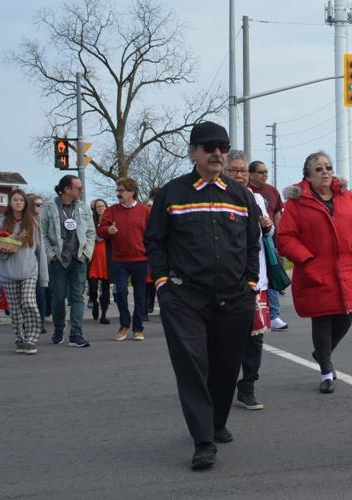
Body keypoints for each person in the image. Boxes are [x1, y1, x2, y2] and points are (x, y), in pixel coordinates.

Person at [144, 121, 261, 470]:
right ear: (193, 151)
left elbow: (253, 243)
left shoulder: (240, 196)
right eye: (208, 146)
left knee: (226, 369)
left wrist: (251, 284)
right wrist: (163, 284)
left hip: (234, 299)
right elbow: (155, 241)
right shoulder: (173, 193)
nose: (217, 153)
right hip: (184, 299)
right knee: (193, 365)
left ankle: (216, 421)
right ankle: (203, 440)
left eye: (222, 147)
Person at [277, 151, 352, 394]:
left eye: (328, 167)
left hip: (346, 268)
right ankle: (326, 370)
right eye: (319, 169)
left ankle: (322, 353)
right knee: (322, 320)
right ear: (307, 175)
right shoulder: (296, 202)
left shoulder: (346, 198)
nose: (325, 172)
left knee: (345, 319)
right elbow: (285, 237)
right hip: (316, 269)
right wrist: (307, 259)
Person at [226, 150, 273, 411]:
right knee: (227, 338)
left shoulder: (256, 198)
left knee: (255, 337)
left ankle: (248, 386)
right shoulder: (216, 198)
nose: (240, 175)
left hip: (256, 280)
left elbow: (268, 234)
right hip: (224, 281)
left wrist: (267, 225)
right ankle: (221, 384)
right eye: (234, 170)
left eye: (243, 171)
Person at [0, 189, 49, 354]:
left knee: (29, 302)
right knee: (15, 309)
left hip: (29, 271)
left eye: (21, 200)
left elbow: (41, 252)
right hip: (8, 273)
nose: (18, 203)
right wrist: (4, 251)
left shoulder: (33, 223)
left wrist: (43, 278)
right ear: (10, 203)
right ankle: (20, 339)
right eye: (15, 200)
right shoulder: (1, 223)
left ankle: (31, 339)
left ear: (25, 204)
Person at [41, 175, 95, 347]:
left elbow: (91, 233)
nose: (81, 190)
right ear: (66, 189)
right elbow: (42, 234)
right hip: (59, 261)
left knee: (78, 297)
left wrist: (86, 253)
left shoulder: (84, 207)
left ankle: (76, 334)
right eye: (78, 187)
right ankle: (58, 328)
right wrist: (52, 255)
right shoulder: (49, 208)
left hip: (79, 259)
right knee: (58, 297)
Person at [98, 178, 150, 341]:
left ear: (132, 192)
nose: (119, 194)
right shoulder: (112, 210)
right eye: (118, 190)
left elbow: (152, 233)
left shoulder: (144, 211)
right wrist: (109, 230)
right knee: (120, 292)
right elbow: (100, 230)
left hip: (140, 259)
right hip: (119, 259)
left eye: (122, 190)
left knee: (140, 295)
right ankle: (124, 324)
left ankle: (138, 328)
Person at [249, 160, 288, 330]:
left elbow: (277, 215)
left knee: (272, 274)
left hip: (268, 238)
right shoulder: (248, 193)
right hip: (252, 241)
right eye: (260, 172)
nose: (265, 174)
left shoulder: (271, 191)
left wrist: (278, 239)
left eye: (266, 171)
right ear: (251, 174)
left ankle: (274, 315)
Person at [87, 199, 111, 325]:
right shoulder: (91, 221)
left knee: (106, 289)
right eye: (98, 206)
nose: (100, 208)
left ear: (106, 207)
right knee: (93, 287)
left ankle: (104, 314)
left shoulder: (111, 221)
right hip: (93, 257)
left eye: (102, 206)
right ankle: (94, 301)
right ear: (95, 209)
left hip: (106, 257)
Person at [28, 194, 49, 331]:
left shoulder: (41, 220)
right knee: (29, 297)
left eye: (41, 204)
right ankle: (30, 322)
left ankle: (40, 321)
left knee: (41, 293)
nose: (40, 207)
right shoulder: (25, 222)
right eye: (37, 205)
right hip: (27, 265)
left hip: (41, 263)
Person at [144, 188, 160, 318]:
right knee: (147, 279)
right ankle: (147, 305)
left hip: (158, 248)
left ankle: (152, 304)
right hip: (146, 248)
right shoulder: (146, 211)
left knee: (156, 279)